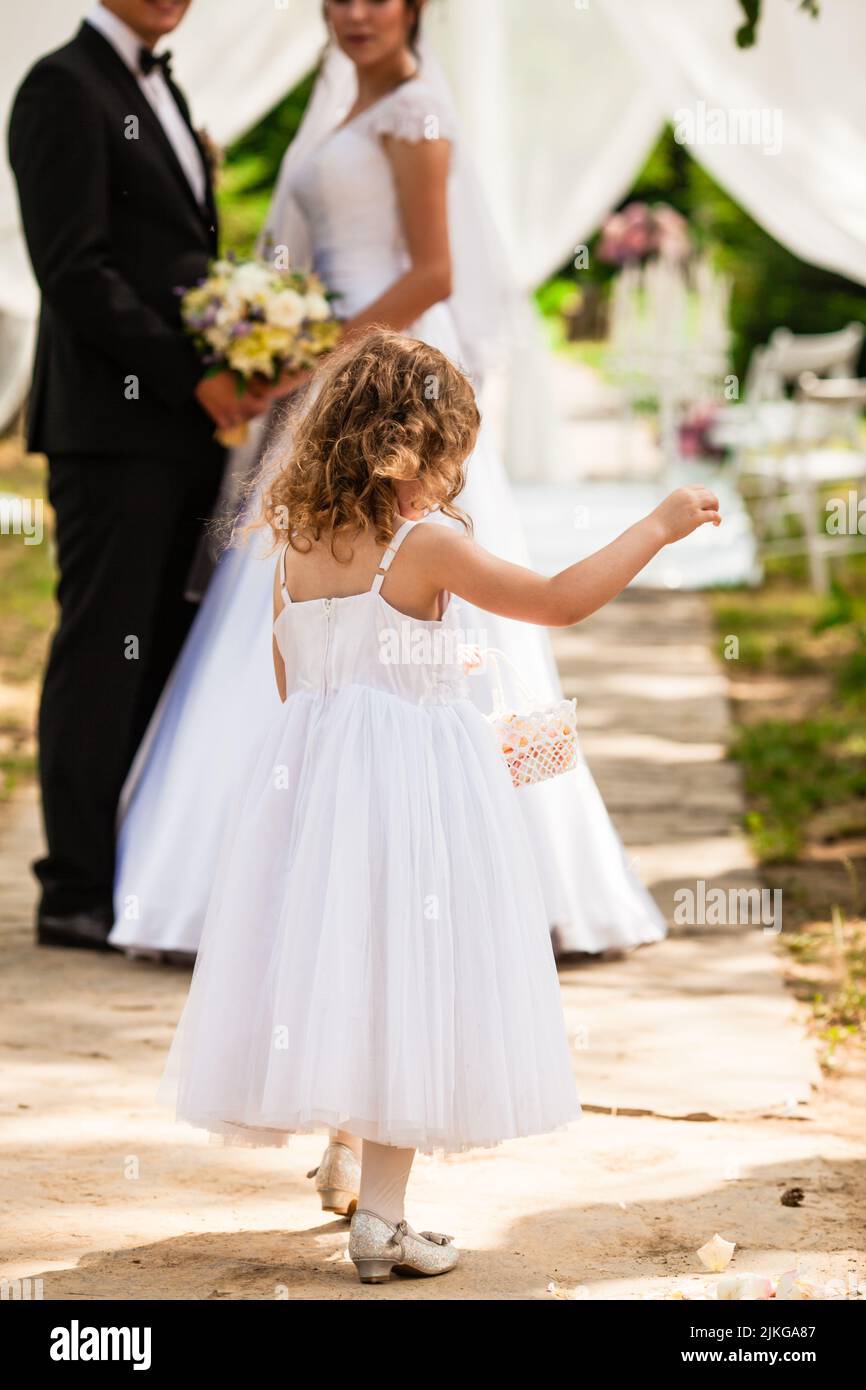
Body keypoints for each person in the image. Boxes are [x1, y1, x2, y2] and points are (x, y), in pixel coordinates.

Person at [111, 0, 666, 972]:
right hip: (334, 380)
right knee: (297, 596)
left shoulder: (416, 112)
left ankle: (491, 871)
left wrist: (306, 358)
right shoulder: (332, 113)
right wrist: (275, 335)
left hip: (388, 381)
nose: (355, 12)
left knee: (441, 600)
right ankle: (259, 879)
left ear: (413, 7)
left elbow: (434, 270)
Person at [158, 328, 721, 1283]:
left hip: (312, 786)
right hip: (412, 788)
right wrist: (658, 526)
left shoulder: (298, 542)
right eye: (451, 450)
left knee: (344, 962)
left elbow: (295, 676)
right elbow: (554, 600)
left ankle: (344, 1148)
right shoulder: (425, 543)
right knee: (409, 981)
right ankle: (381, 1221)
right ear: (415, 444)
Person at [7, 0, 270, 948]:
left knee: (161, 648)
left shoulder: (161, 84)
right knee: (102, 649)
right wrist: (193, 375)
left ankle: (137, 870)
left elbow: (173, 262)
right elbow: (73, 269)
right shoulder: (59, 88)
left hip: (185, 431)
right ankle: (73, 888)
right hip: (111, 430)